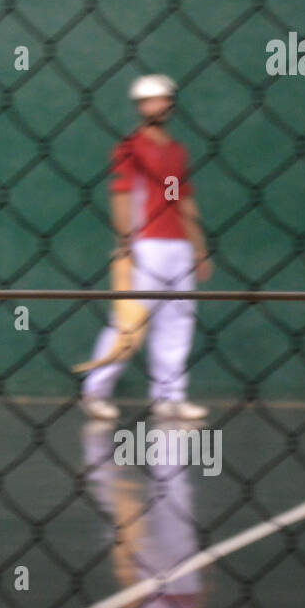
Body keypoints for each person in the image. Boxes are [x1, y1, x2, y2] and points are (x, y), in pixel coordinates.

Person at [80, 74, 212, 422]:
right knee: (129, 321)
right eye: (149, 101)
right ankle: (95, 392)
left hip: (179, 248)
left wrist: (199, 248)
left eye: (162, 99)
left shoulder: (176, 152)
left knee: (177, 320)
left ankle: (169, 397)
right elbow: (122, 195)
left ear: (170, 103)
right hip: (147, 245)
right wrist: (125, 243)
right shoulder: (131, 148)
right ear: (140, 107)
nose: (157, 106)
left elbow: (182, 201)